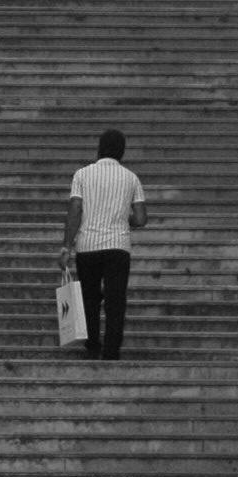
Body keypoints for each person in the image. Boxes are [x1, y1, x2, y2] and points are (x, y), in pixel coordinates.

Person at [62, 129, 148, 358]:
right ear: (122, 151)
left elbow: (75, 210)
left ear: (99, 148)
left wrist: (66, 247)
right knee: (115, 300)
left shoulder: (82, 175)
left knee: (89, 299)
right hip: (118, 247)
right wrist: (123, 217)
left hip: (87, 247)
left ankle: (92, 348)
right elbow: (140, 218)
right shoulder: (131, 178)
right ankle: (111, 352)